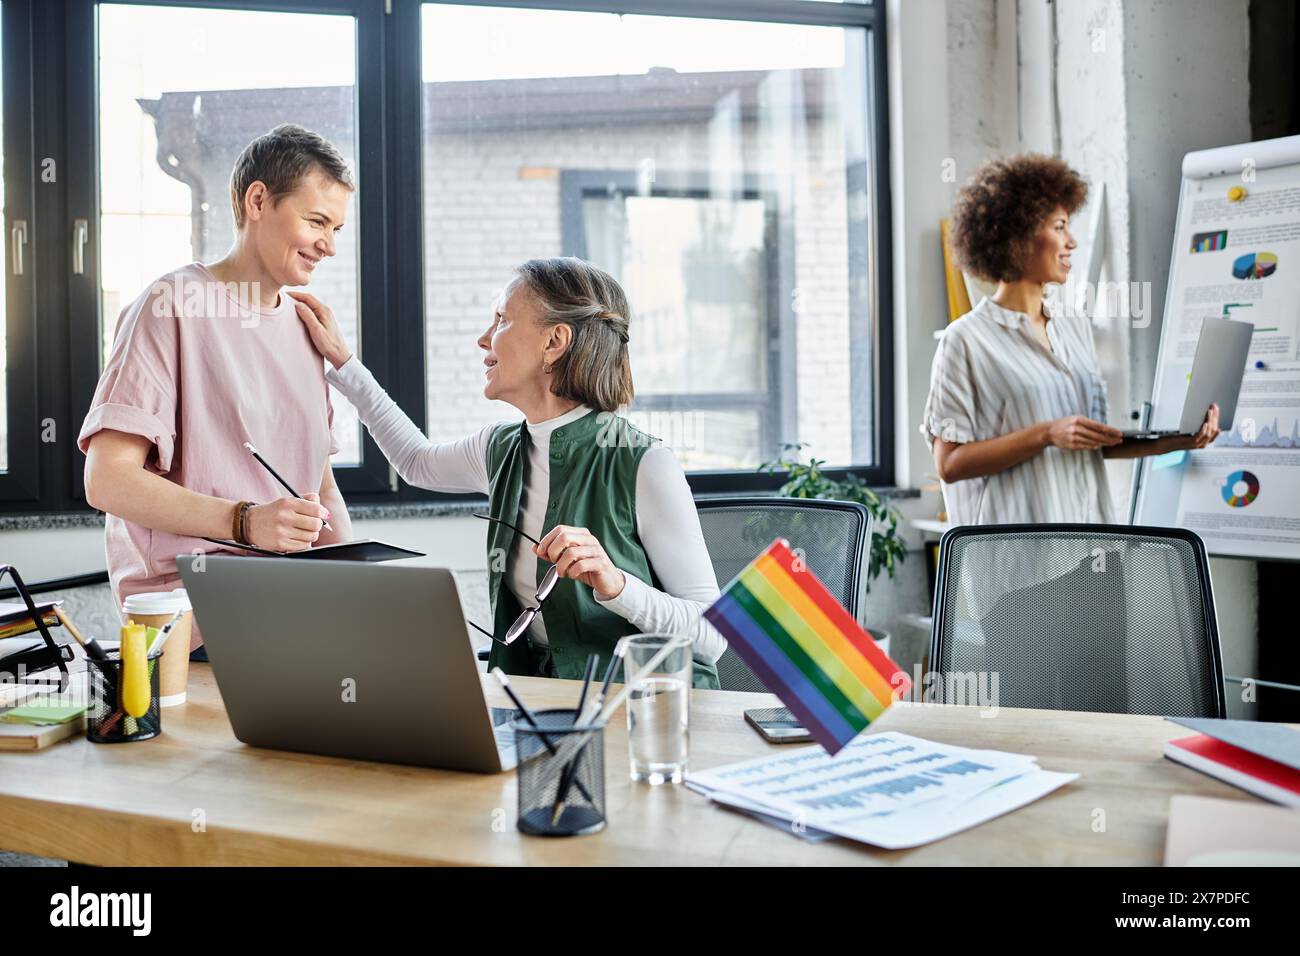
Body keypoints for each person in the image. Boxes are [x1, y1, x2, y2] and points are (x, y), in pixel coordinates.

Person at [290, 257, 726, 687]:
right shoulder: (499, 447)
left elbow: (714, 636)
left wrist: (616, 585)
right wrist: (343, 362)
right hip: (540, 700)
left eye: (500, 319)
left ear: (554, 342)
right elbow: (415, 461)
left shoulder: (644, 462)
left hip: (647, 710)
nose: (484, 339)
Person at [79, 124, 353, 650]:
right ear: (258, 201)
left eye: (337, 228)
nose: (329, 245)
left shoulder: (305, 327)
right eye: (317, 221)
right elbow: (107, 480)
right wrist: (245, 522)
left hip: (292, 612)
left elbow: (321, 492)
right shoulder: (170, 305)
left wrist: (365, 597)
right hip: (194, 623)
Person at [923, 153, 1220, 526]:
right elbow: (950, 464)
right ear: (1017, 235)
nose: (1072, 241)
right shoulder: (965, 341)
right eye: (1060, 226)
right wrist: (1044, 434)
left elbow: (1088, 444)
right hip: (1016, 561)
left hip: (1087, 542)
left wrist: (1179, 440)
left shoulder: (1073, 326)